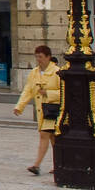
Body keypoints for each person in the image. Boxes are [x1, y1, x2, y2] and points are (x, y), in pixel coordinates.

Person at [14, 45, 62, 176]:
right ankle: (59, 164)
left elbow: (65, 92)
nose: (38, 59)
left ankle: (37, 165)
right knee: (53, 139)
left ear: (48, 57)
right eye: (36, 57)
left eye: (40, 57)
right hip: (42, 111)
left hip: (53, 110)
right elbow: (28, 90)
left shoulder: (57, 72)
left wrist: (48, 93)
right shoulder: (34, 73)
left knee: (44, 135)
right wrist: (20, 106)